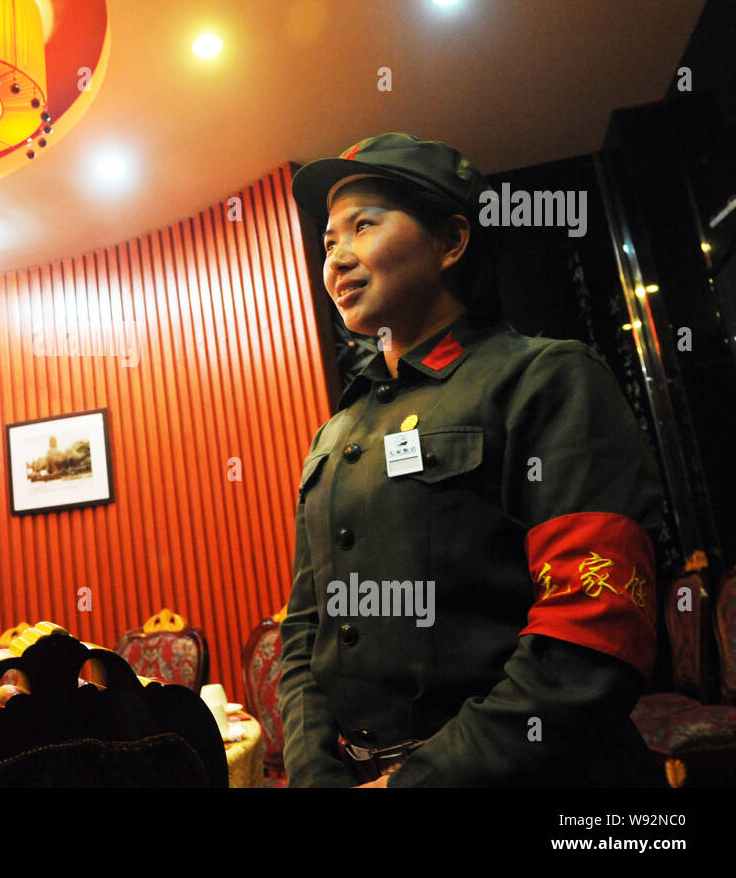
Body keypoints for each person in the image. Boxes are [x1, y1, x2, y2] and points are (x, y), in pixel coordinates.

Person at [279, 132, 664, 786]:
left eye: (363, 225)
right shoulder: (332, 435)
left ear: (452, 241)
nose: (336, 259)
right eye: (327, 241)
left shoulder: (545, 378)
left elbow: (595, 625)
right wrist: (317, 772)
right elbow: (304, 629)